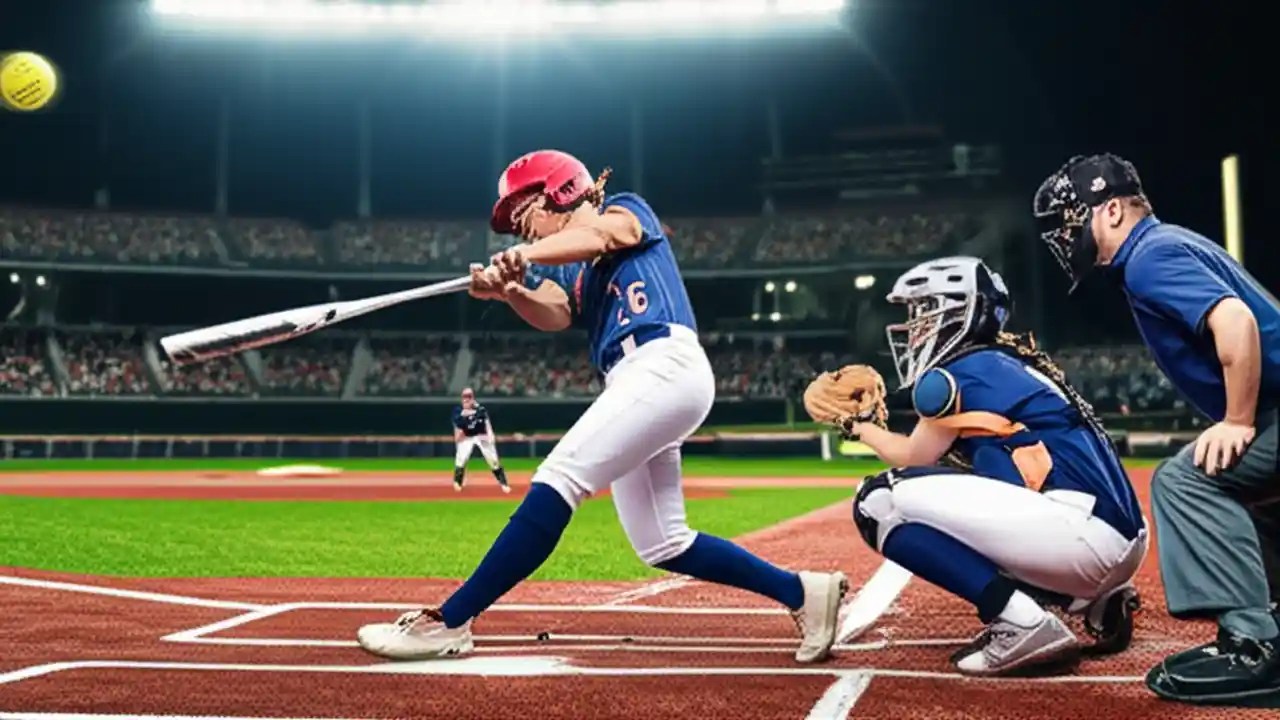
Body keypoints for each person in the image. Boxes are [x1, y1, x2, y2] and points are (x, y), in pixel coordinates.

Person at [356, 149, 846, 663]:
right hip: (634, 378)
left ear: (560, 191)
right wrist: (511, 291)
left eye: (524, 214)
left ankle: (452, 620)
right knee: (663, 542)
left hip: (663, 362)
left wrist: (526, 257)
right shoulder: (569, 268)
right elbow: (555, 314)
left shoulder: (624, 210)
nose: (522, 230)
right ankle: (803, 593)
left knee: (560, 477)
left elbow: (606, 236)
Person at [807, 256, 1147, 676]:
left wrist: (858, 426)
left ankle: (1022, 623)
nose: (913, 326)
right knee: (965, 484)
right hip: (1116, 536)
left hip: (1081, 536)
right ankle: (1100, 603)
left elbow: (912, 456)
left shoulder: (955, 375)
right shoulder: (1002, 362)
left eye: (922, 311)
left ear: (957, 311)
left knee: (877, 500)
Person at [1034, 153, 1280, 704]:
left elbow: (1236, 321)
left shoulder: (1149, 257)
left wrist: (1237, 420)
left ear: (1112, 210)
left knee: (1184, 481)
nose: (1068, 237)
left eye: (1074, 221)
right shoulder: (1166, 245)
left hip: (1272, 409)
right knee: (1252, 494)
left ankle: (1255, 648)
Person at [451, 387, 509, 494]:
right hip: (466, 435)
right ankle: (457, 482)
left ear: (473, 397)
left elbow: (486, 422)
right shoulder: (458, 410)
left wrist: (490, 436)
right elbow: (458, 423)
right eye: (465, 397)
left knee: (493, 460)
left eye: (469, 397)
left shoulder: (481, 409)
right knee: (461, 458)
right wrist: (458, 435)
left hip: (481, 435)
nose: (467, 399)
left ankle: (503, 483)